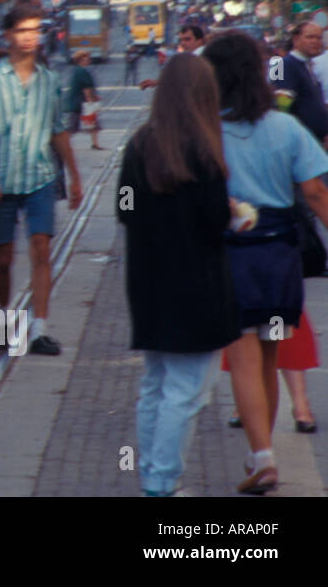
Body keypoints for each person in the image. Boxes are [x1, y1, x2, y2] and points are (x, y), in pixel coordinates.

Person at [202, 31, 328, 493]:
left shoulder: (206, 130)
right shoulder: (285, 128)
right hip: (280, 261)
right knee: (271, 353)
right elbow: (315, 192)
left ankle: (263, 457)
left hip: (231, 260)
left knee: (243, 359)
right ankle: (264, 451)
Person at [116, 52, 238, 497]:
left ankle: (153, 475)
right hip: (196, 285)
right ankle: (161, 484)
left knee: (156, 385)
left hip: (149, 282)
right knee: (185, 392)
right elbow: (214, 219)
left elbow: (124, 209)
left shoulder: (138, 146)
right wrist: (234, 215)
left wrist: (151, 217)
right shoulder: (205, 151)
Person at [0, 0, 83, 355]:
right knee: (3, 257)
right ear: (8, 35)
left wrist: (75, 176)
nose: (30, 37)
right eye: (22, 31)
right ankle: (3, 321)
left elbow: (58, 130)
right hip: (2, 180)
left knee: (42, 249)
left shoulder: (49, 81)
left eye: (35, 30)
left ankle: (39, 330)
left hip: (40, 178)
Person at [65, 50, 103, 150]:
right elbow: (86, 88)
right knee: (73, 126)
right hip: (80, 103)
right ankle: (64, 145)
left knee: (93, 123)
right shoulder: (82, 71)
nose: (89, 60)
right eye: (87, 58)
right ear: (82, 59)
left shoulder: (78, 70)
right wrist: (91, 100)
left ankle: (95, 143)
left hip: (78, 102)